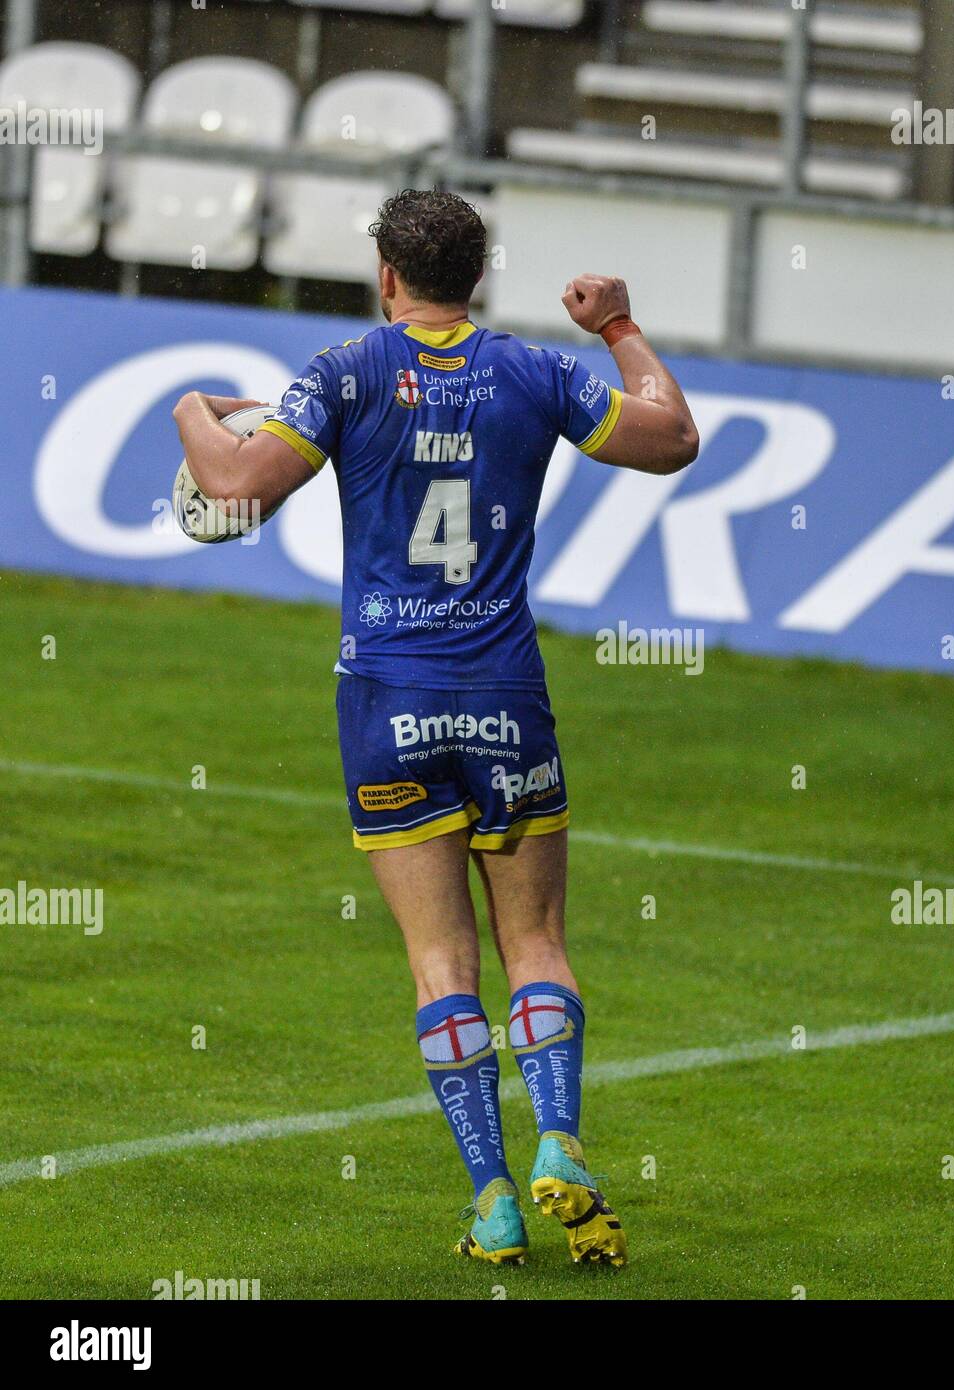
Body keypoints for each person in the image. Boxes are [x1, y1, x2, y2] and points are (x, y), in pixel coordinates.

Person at [172, 189, 698, 1268]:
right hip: (505, 695)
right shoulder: (533, 371)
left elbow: (230, 491)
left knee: (439, 962)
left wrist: (191, 408)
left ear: (387, 276)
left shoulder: (345, 373)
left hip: (386, 701)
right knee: (536, 944)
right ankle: (561, 1140)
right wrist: (616, 325)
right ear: (478, 275)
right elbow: (673, 438)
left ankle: (494, 1201)